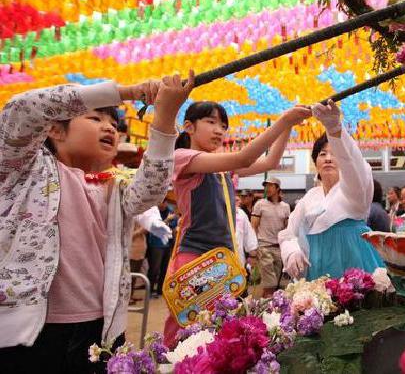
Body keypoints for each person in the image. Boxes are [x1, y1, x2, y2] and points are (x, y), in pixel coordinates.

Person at [0, 72, 194, 373]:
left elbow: (151, 190)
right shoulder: (24, 168)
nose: (109, 128)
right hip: (30, 332)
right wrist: (128, 91)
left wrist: (165, 116)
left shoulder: (113, 186)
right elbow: (22, 109)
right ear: (55, 129)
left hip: (99, 328)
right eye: (94, 119)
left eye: (114, 125)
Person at [163, 101, 311, 346]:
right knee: (184, 331)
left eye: (223, 125)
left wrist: (289, 126)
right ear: (188, 127)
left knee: (216, 331)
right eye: (211, 122)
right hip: (194, 257)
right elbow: (245, 157)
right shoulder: (182, 158)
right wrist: (284, 120)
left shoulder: (224, 170)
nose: (219, 130)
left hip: (223, 261)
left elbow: (270, 162)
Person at [279, 101, 385, 280]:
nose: (328, 158)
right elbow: (289, 234)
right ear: (315, 163)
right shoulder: (309, 198)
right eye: (322, 154)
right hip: (317, 270)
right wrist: (292, 252)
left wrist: (335, 130)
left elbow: (355, 167)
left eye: (333, 153)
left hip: (355, 267)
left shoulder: (353, 190)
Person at [251, 177, 290, 297]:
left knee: (277, 285)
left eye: (270, 186)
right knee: (270, 284)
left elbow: (287, 229)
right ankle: (267, 311)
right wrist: (254, 248)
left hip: (279, 248)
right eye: (265, 186)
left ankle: (267, 308)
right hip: (264, 247)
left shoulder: (285, 207)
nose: (267, 188)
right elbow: (253, 226)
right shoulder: (260, 204)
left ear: (278, 188)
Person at [146, 201, 177, 298]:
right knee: (154, 269)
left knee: (165, 269)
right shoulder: (153, 212)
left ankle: (160, 290)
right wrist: (167, 220)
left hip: (168, 244)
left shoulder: (170, 211)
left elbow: (174, 225)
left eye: (165, 202)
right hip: (156, 244)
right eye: (161, 202)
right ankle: (149, 291)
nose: (163, 204)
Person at [234, 196, 258, 268]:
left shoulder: (240, 214)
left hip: (238, 259)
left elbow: (249, 234)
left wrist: (252, 255)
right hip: (216, 259)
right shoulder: (212, 212)